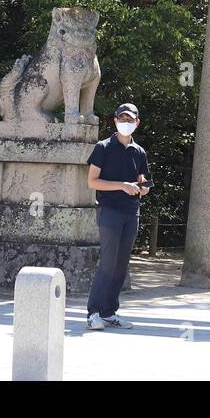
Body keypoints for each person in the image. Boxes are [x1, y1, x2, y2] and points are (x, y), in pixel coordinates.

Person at [85, 102, 150, 330]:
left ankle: (109, 312)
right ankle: (93, 312)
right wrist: (122, 185)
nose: (126, 123)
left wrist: (142, 188)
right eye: (122, 119)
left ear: (137, 123)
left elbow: (143, 182)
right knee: (108, 262)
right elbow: (92, 181)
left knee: (121, 264)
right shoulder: (103, 147)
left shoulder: (139, 152)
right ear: (114, 121)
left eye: (130, 119)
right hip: (109, 211)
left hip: (131, 212)